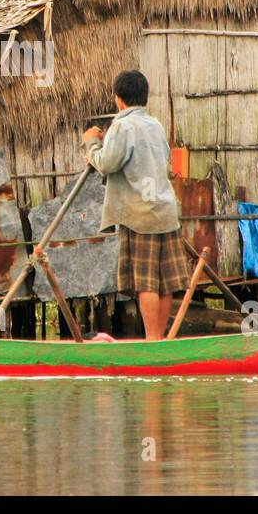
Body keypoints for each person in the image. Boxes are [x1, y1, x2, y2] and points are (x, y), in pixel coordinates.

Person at [82, 69, 189, 340]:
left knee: (146, 282)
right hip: (165, 211)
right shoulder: (155, 125)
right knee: (165, 282)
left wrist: (92, 144)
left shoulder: (122, 125)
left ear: (119, 99)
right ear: (144, 97)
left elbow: (107, 163)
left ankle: (152, 342)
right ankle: (159, 340)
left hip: (140, 215)